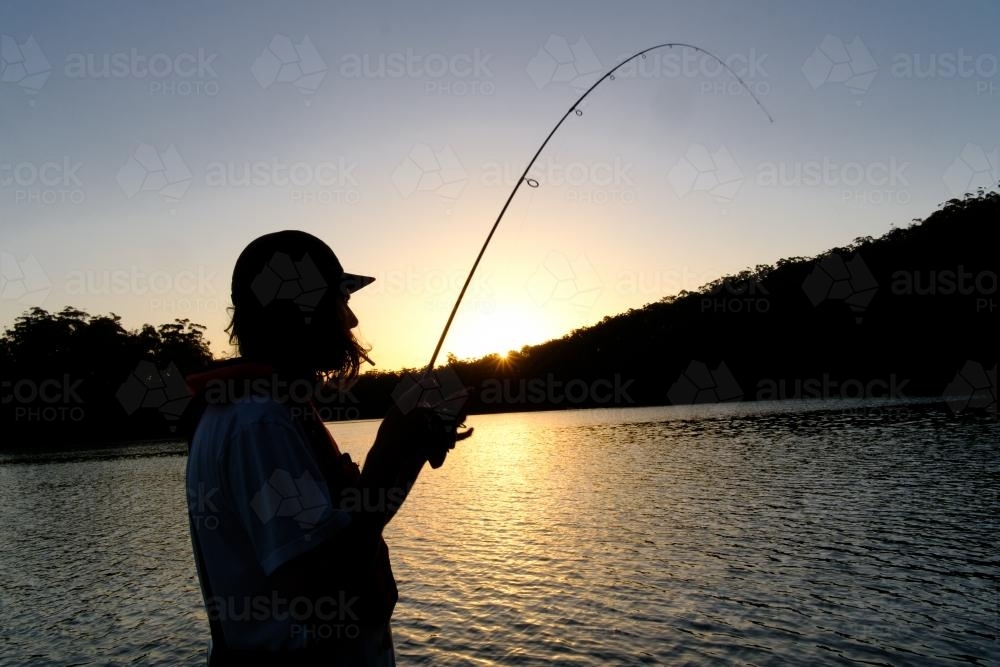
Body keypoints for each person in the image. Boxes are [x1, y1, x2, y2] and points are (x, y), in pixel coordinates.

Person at [184, 230, 472, 666]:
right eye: (342, 301)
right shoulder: (258, 422)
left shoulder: (265, 413)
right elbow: (321, 589)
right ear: (304, 309)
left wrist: (406, 456)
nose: (351, 322)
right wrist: (387, 454)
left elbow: (348, 537)